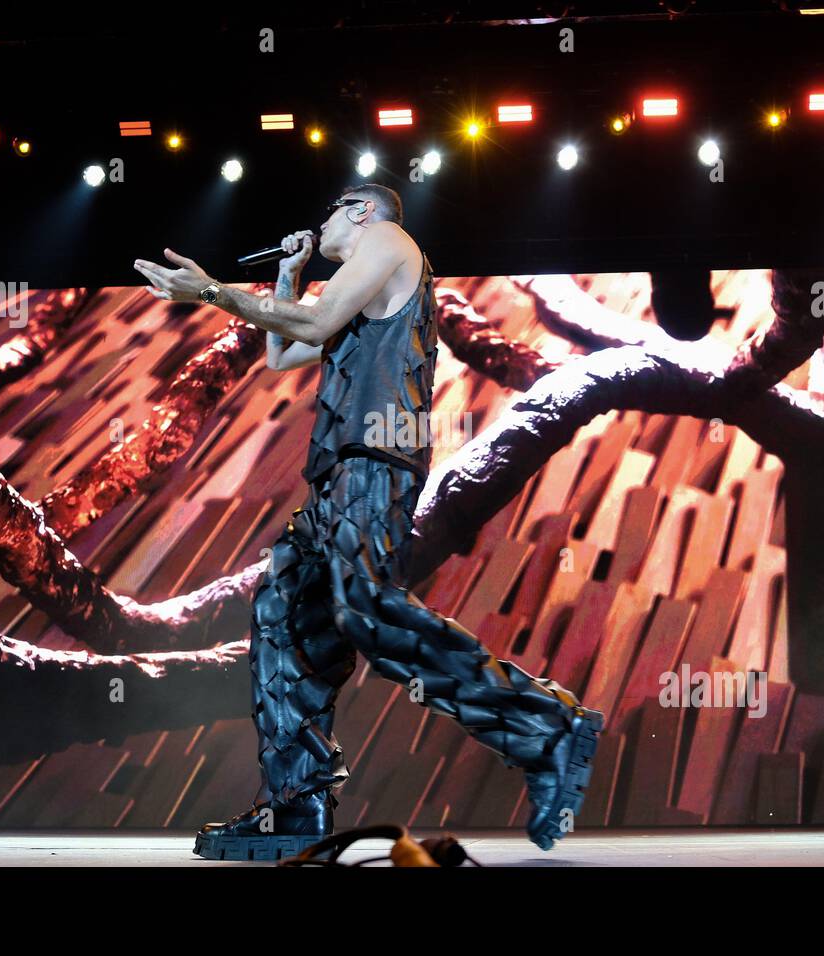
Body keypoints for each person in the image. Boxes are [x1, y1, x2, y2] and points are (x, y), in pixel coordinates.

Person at [134, 183, 603, 861]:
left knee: (369, 611)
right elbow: (284, 351)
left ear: (358, 211)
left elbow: (315, 329)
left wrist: (211, 292)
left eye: (328, 211)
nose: (319, 222)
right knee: (283, 615)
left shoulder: (388, 240)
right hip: (335, 477)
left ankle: (550, 725)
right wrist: (291, 275)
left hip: (373, 462)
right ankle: (297, 806)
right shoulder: (359, 285)